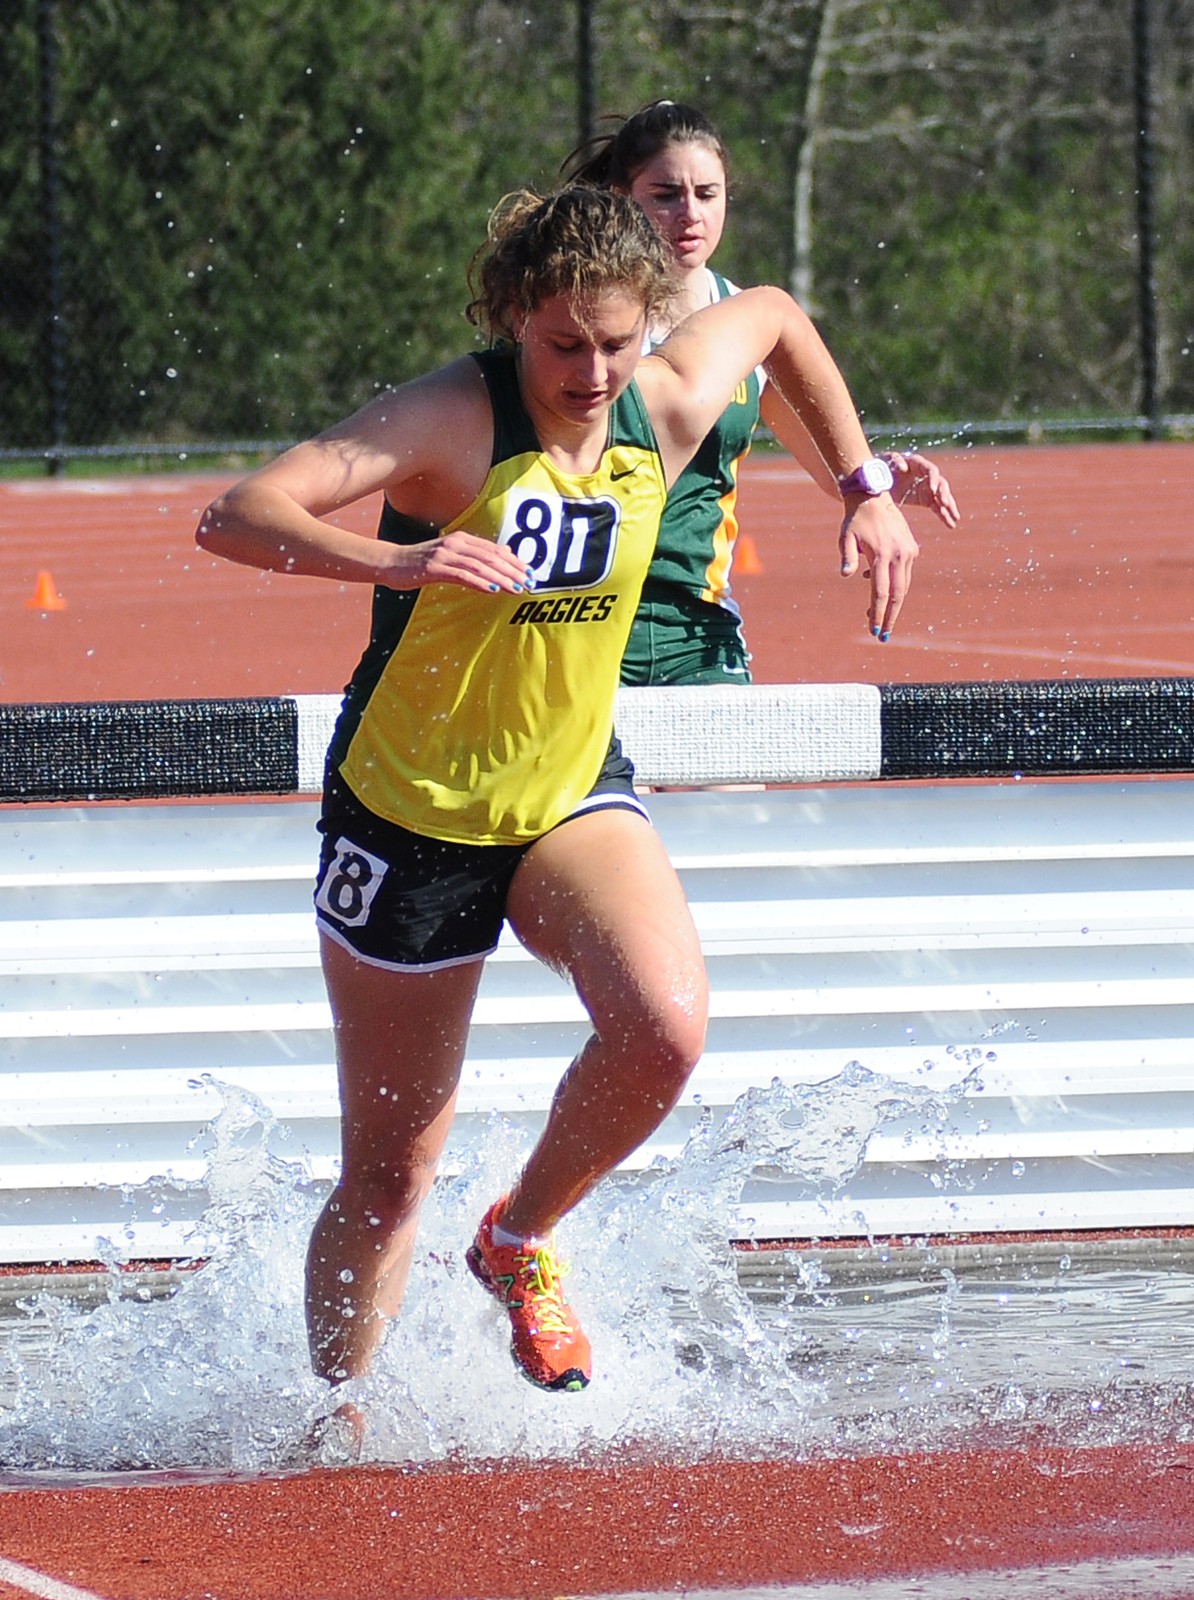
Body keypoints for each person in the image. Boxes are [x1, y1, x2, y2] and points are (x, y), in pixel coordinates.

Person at [194, 183, 919, 1435]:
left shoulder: (666, 403)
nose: (590, 374)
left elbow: (777, 316)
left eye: (616, 343)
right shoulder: (450, 417)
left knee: (664, 1031)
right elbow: (238, 514)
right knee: (388, 1174)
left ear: (649, 326)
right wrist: (402, 557)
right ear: (516, 317)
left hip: (567, 790)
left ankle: (518, 1235)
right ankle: (339, 1425)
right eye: (562, 345)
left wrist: (861, 484)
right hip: (409, 814)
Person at [564, 100, 960, 685]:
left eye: (708, 193)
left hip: (695, 627)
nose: (689, 214)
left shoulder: (751, 328)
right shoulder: (580, 322)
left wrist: (877, 479)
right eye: (666, 194)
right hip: (580, 617)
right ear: (624, 197)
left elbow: (835, 470)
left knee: (736, 779)